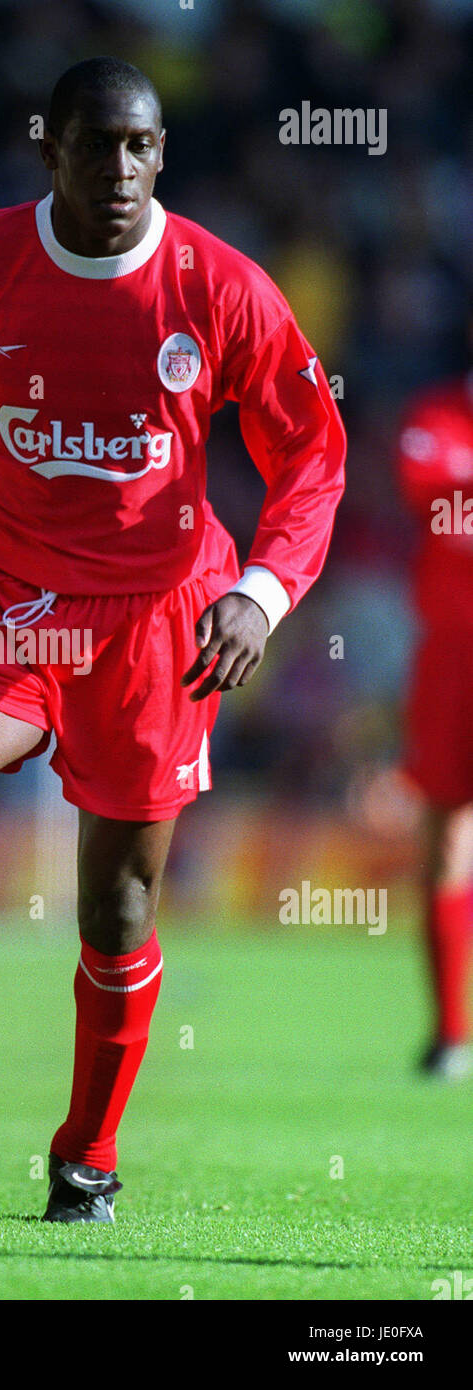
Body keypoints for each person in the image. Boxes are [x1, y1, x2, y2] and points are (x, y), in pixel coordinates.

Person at [0, 57, 346, 1222]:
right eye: (95, 143)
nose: (119, 167)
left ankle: (85, 1156)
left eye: (140, 146)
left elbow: (309, 450)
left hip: (158, 618)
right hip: (4, 595)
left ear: (161, 156)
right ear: (46, 148)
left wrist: (259, 590)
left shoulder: (220, 287)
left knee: (116, 909)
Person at [397, 356, 473, 1080]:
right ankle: (450, 1033)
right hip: (452, 659)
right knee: (447, 833)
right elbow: (429, 494)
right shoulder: (436, 413)